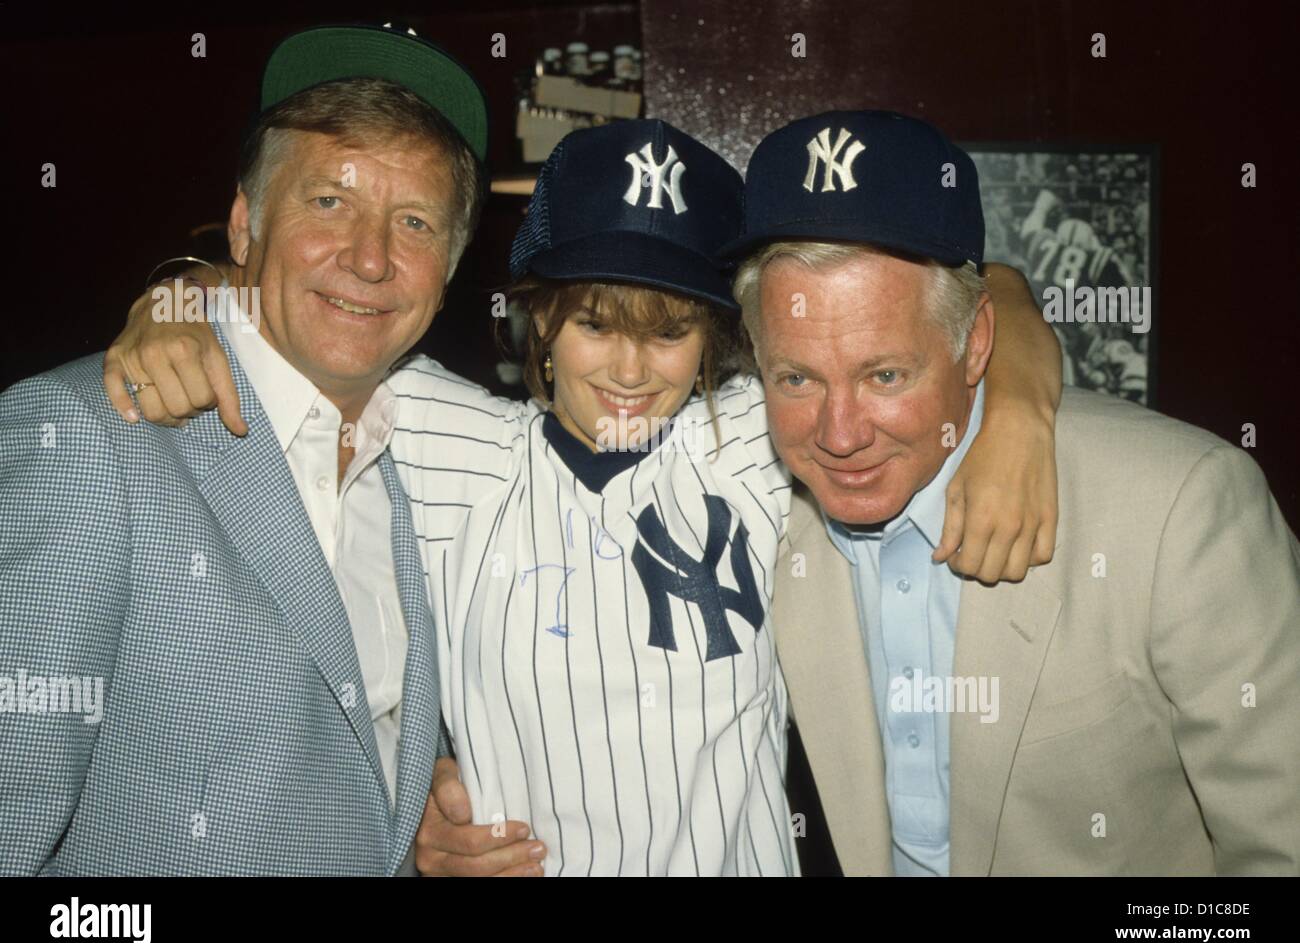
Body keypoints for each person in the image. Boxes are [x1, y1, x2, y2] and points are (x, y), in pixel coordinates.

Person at [100, 116, 1062, 874]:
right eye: (598, 320)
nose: (633, 367)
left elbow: (983, 289)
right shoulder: (440, 434)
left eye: (671, 328)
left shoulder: (759, 438)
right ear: (541, 322)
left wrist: (1016, 405)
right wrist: (176, 298)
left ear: (718, 342)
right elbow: (294, 302)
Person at [728, 110, 1300, 874]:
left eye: (885, 375)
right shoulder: (747, 514)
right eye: (796, 378)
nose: (838, 434)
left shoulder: (1179, 515)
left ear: (978, 345)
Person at [0, 23, 493, 874]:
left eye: (412, 221)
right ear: (242, 227)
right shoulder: (89, 435)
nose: (370, 258)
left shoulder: (442, 459)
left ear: (446, 273)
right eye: (328, 202)